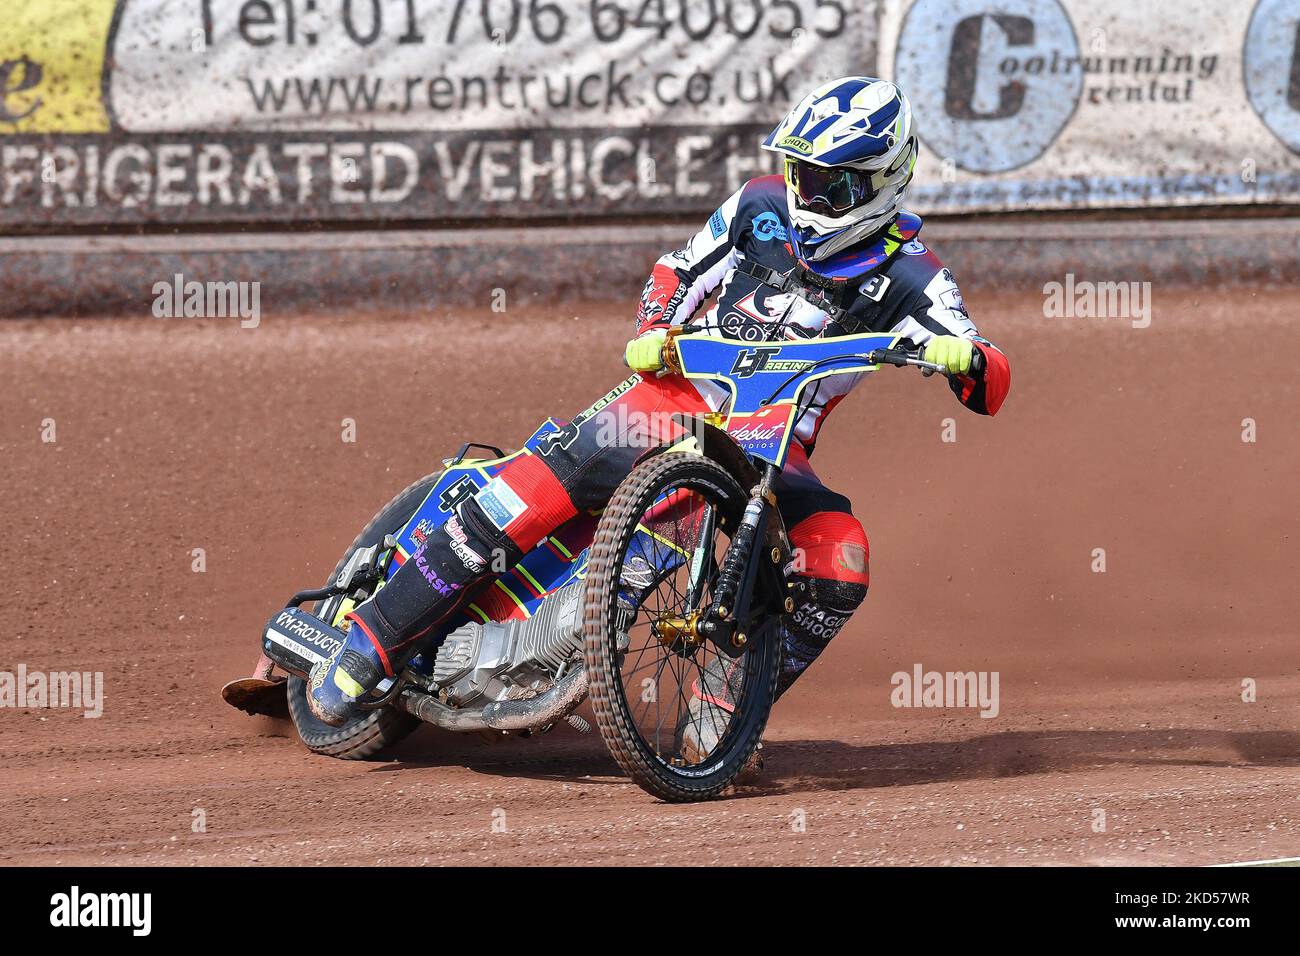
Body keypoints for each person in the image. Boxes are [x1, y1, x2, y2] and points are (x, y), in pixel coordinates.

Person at [307, 77, 1011, 767]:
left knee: (840, 560)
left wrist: (966, 360)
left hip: (769, 453)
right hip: (670, 401)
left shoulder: (918, 277)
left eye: (830, 184)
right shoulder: (759, 205)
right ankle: (370, 640)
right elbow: (677, 269)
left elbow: (990, 381)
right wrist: (654, 324)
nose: (807, 195)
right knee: (522, 496)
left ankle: (723, 708)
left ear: (884, 181)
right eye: (801, 172)